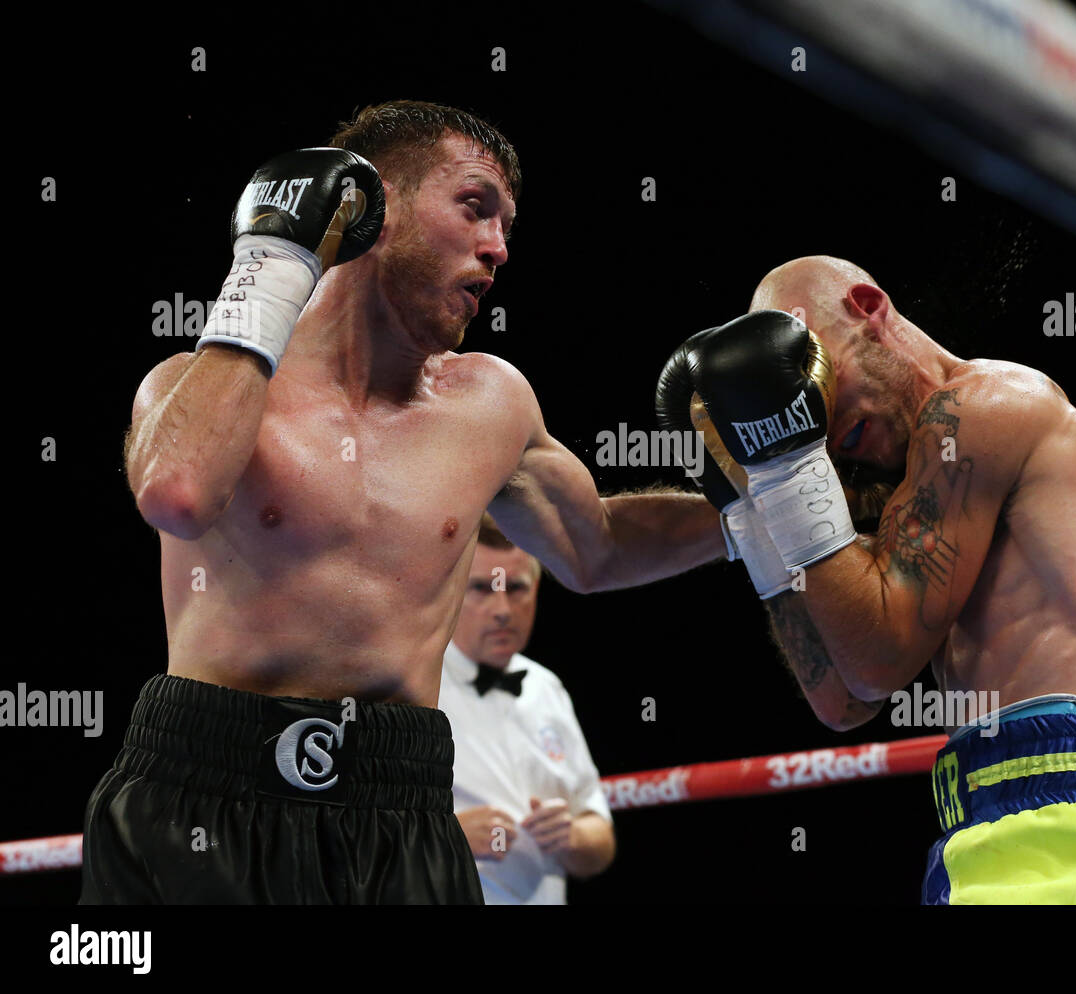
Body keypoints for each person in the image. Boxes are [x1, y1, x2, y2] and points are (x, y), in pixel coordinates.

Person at [83, 100, 721, 905]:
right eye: (474, 206)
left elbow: (594, 550)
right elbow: (176, 493)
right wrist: (270, 270)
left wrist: (765, 505)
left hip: (402, 807)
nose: (498, 247)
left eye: (506, 226)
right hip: (198, 794)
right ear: (368, 206)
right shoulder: (207, 384)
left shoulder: (491, 404)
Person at [655, 255, 1076, 904]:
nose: (821, 431)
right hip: (989, 822)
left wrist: (785, 468)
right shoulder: (907, 486)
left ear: (867, 307)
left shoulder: (987, 407)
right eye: (800, 412)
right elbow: (841, 699)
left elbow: (876, 664)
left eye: (820, 384)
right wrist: (753, 504)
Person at [441, 518, 614, 904]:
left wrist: (571, 836)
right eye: (483, 589)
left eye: (514, 588)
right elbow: (343, 835)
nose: (502, 610)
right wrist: (442, 837)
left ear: (535, 589)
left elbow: (600, 838)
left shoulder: (546, 688)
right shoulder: (409, 687)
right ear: (449, 591)